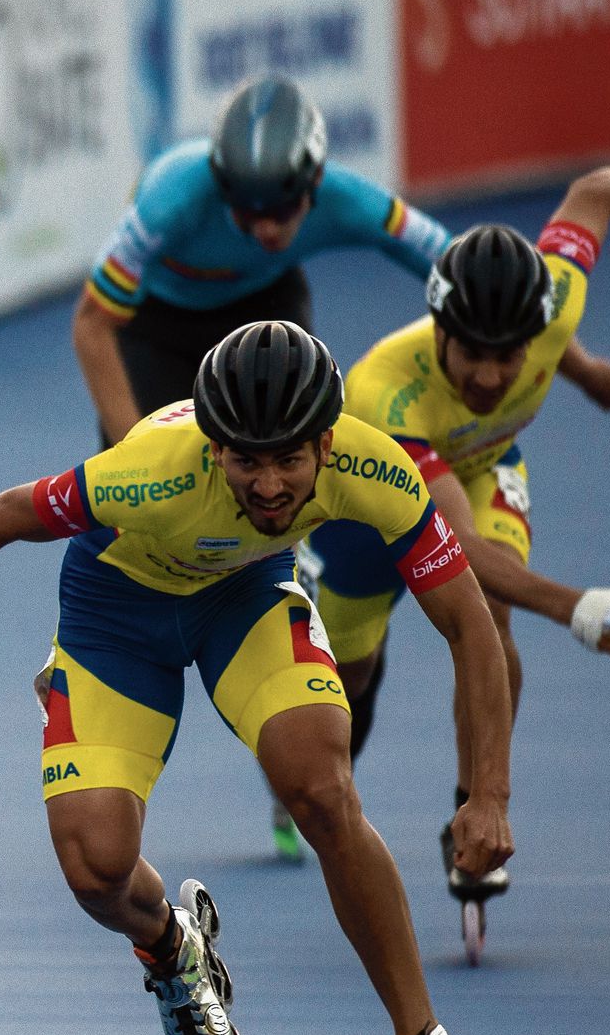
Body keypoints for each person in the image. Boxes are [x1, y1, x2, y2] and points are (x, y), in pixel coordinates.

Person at [0, 321, 512, 1035]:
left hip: (244, 597)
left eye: (289, 461)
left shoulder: (375, 468)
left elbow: (471, 626)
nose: (269, 485)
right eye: (245, 462)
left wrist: (487, 795)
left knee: (321, 788)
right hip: (115, 614)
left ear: (327, 443)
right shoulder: (152, 470)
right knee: (96, 871)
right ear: (214, 446)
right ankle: (171, 948)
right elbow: (7, 514)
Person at [73, 73, 452, 858]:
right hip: (157, 328)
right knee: (131, 520)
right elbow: (92, 324)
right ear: (220, 187)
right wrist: (136, 451)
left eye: (281, 210)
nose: (265, 226)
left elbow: (457, 269)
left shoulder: (349, 198)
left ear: (314, 188)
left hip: (264, 314)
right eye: (245, 211)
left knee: (286, 474)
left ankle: (292, 603)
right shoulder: (174, 196)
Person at [302, 166, 610, 958]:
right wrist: (576, 606)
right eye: (471, 355)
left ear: (536, 333)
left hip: (481, 469)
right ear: (439, 330)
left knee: (491, 631)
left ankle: (473, 812)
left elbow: (597, 190)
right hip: (367, 514)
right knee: (350, 680)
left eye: (508, 357)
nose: (487, 377)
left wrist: (583, 370)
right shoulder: (386, 392)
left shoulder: (556, 301)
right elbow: (457, 553)